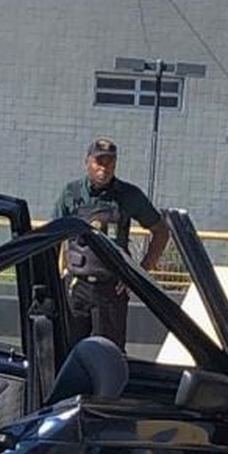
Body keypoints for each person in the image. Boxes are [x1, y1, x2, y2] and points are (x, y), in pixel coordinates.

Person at [53, 137, 170, 350]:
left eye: (110, 162)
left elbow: (161, 231)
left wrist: (139, 274)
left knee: (107, 356)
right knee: (68, 352)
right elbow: (52, 237)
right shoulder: (71, 193)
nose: (104, 168)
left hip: (111, 291)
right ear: (87, 161)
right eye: (99, 161)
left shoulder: (128, 195)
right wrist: (52, 280)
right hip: (75, 288)